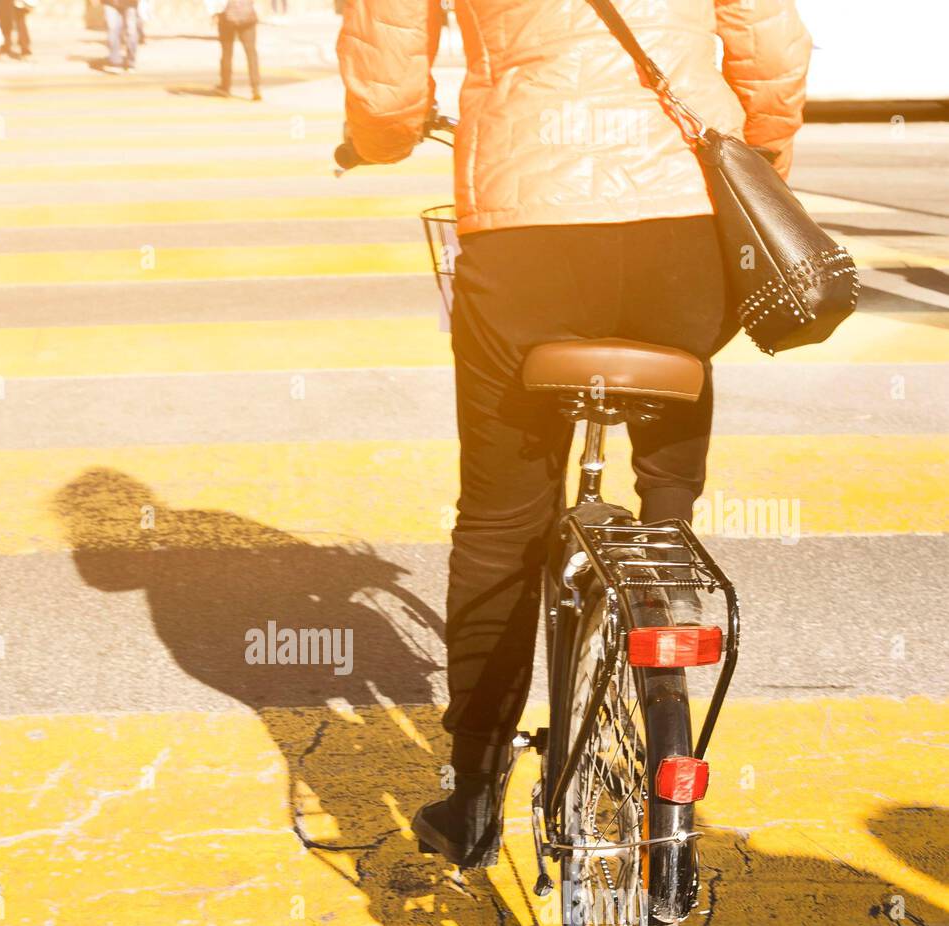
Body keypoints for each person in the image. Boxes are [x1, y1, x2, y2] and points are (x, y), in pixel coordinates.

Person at [337, 0, 810, 865]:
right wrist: (767, 145)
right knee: (679, 375)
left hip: (527, 244)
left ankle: (475, 789)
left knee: (498, 524)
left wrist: (379, 140)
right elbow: (769, 42)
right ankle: (663, 580)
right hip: (687, 227)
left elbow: (388, 74)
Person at [215, 0, 259, 100]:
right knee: (251, 53)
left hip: (227, 18)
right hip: (248, 17)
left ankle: (225, 86)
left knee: (227, 53)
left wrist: (215, 14)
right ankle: (255, 88)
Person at [102, 0, 137, 71]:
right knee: (112, 29)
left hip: (130, 3)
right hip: (110, 2)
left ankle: (131, 61)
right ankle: (115, 62)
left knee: (131, 30)